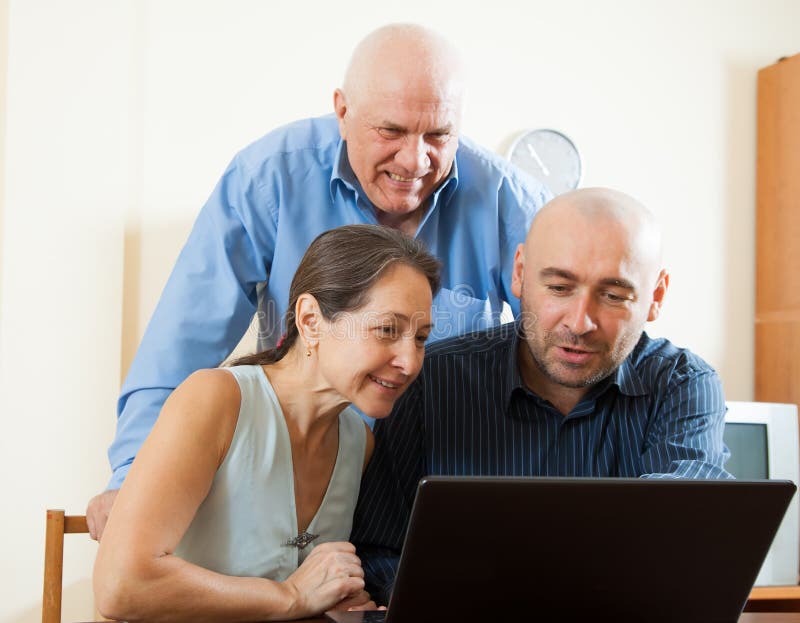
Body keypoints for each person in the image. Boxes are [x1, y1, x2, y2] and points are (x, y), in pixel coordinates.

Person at [87, 22, 550, 539]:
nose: (415, 160)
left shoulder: (511, 201)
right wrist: (133, 474)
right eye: (391, 131)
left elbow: (560, 347)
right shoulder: (267, 178)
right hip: (296, 489)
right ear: (343, 110)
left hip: (437, 494)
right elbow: (181, 341)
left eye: (439, 135)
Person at [351, 188, 732, 605]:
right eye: (559, 287)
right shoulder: (432, 380)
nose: (580, 322)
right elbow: (378, 549)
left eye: (613, 295)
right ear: (519, 274)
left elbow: (687, 530)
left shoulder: (683, 384)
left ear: (656, 297)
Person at [93, 224, 440, 621]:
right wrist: (290, 596)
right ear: (310, 320)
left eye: (420, 338)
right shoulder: (214, 399)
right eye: (387, 330)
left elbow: (308, 590)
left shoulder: (358, 443)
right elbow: (120, 586)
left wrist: (333, 600)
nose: (410, 362)